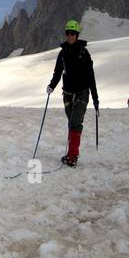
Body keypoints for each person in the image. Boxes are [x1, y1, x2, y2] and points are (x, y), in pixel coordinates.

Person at [46, 19, 99, 167]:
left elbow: (91, 77)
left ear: (77, 35)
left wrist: (95, 99)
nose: (70, 36)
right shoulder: (62, 54)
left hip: (82, 93)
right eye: (68, 33)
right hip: (67, 94)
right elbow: (57, 73)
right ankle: (71, 153)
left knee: (75, 123)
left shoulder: (84, 53)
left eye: (73, 33)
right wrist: (51, 86)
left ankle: (73, 157)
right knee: (72, 123)